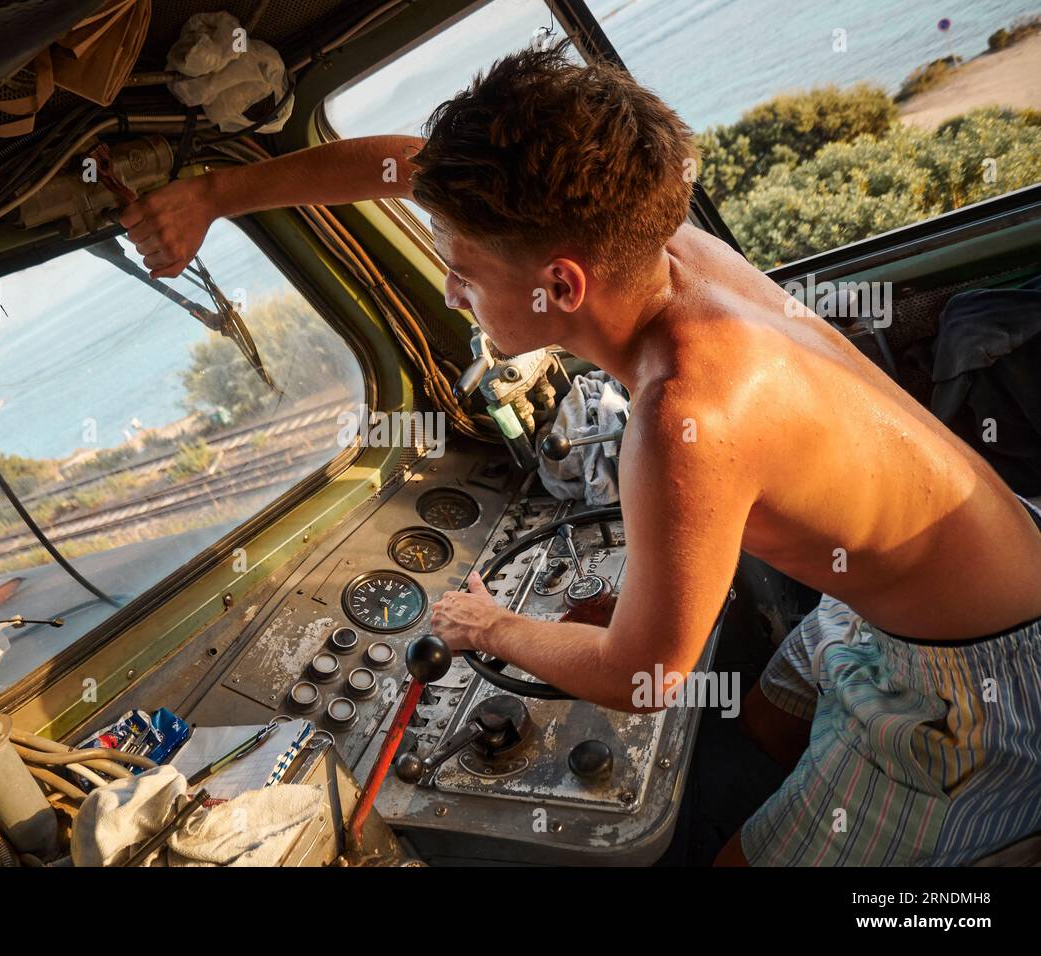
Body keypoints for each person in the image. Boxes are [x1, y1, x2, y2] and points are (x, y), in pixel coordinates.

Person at [122, 43, 1041, 866]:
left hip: (975, 685)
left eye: (464, 272)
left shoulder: (684, 414)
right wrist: (211, 196)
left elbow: (642, 680)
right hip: (939, 582)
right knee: (765, 724)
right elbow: (402, 163)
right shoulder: (662, 240)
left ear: (562, 282)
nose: (449, 292)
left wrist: (491, 628)